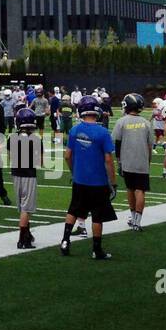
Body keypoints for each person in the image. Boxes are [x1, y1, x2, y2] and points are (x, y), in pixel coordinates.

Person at [60, 99, 117, 259]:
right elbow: (108, 160)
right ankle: (97, 249)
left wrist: (74, 172)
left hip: (79, 179)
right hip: (98, 181)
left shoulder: (74, 130)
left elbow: (67, 156)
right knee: (97, 216)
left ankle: (65, 241)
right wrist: (112, 182)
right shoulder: (103, 132)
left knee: (73, 209)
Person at [112, 94, 153, 231]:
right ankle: (137, 221)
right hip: (142, 161)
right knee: (140, 190)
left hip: (127, 161)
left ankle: (133, 216)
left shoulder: (121, 122)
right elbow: (149, 146)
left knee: (130, 189)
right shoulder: (146, 123)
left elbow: (117, 143)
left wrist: (119, 162)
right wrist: (148, 162)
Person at [8, 106, 42, 249]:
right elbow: (39, 161)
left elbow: (10, 157)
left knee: (22, 206)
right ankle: (22, 239)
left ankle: (27, 233)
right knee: (26, 208)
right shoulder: (35, 139)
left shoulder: (11, 137)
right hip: (29, 175)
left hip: (16, 174)